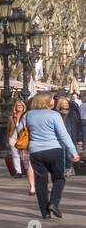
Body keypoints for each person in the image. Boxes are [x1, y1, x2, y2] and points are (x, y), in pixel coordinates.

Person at [26, 91, 79, 219]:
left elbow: (20, 130)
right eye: (51, 99)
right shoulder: (54, 115)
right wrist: (73, 152)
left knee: (41, 182)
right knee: (59, 178)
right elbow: (63, 134)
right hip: (53, 150)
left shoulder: (29, 115)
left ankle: (45, 213)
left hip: (35, 151)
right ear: (46, 101)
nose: (53, 101)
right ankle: (54, 203)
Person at [9, 98, 33, 196]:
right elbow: (8, 129)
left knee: (24, 156)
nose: (19, 107)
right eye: (18, 106)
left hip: (23, 138)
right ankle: (18, 172)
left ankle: (25, 170)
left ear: (24, 107)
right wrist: (8, 138)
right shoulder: (12, 117)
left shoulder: (26, 116)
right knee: (15, 155)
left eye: (21, 106)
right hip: (13, 137)